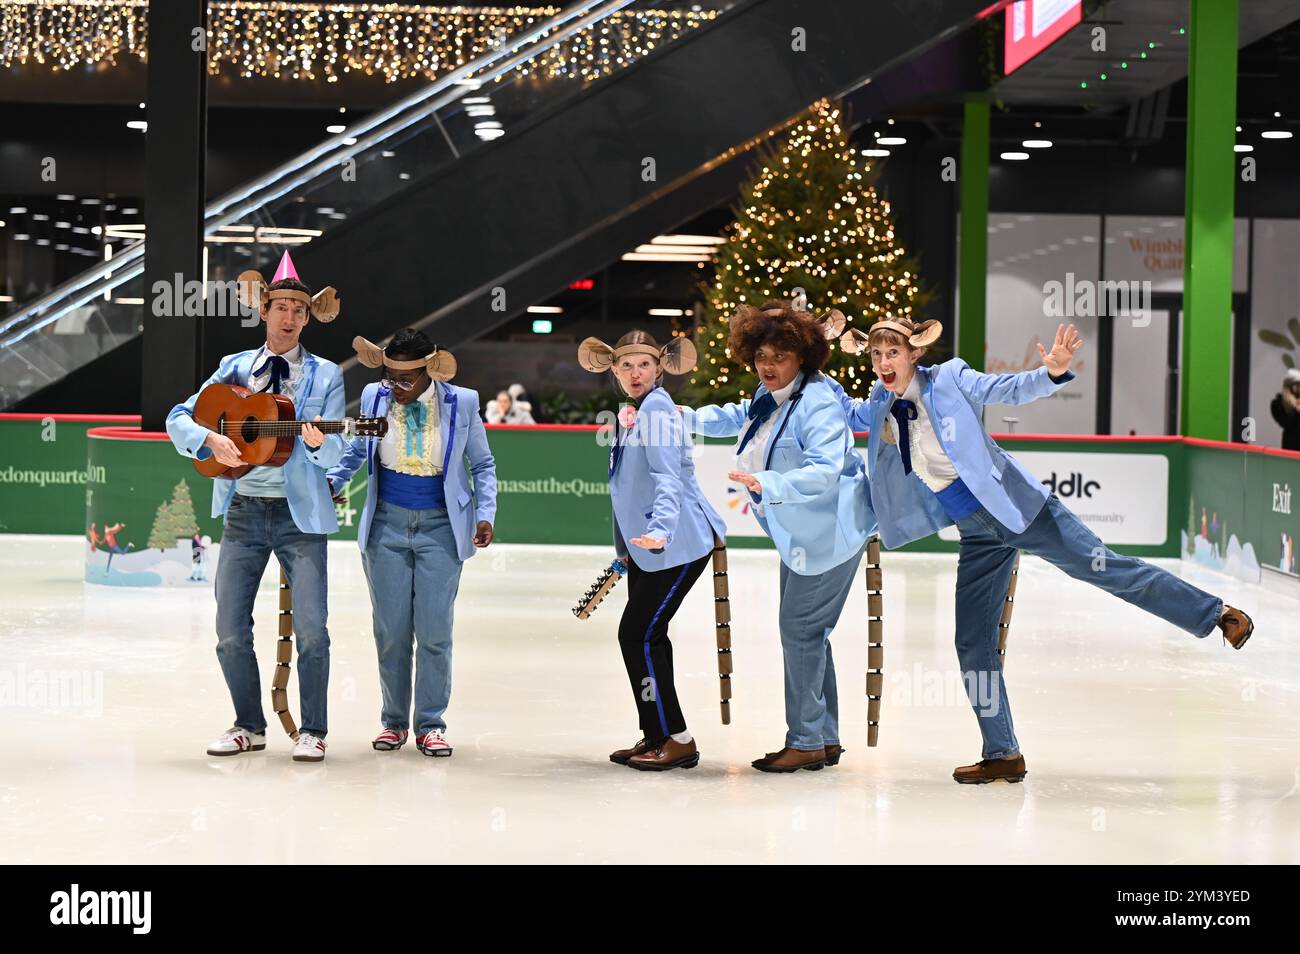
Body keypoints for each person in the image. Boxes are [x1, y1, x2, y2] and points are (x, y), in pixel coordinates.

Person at [830, 316, 1256, 784]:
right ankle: (1002, 753)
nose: (884, 362)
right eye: (875, 355)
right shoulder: (880, 402)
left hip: (1021, 510)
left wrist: (1050, 372)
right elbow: (847, 414)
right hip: (977, 532)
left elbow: (1006, 388)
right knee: (972, 641)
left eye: (893, 352)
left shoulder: (949, 377)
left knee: (1108, 570)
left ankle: (1216, 614)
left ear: (914, 353)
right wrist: (812, 368)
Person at [680, 301, 876, 772]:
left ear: (802, 357)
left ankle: (807, 739)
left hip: (831, 531)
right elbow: (737, 417)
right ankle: (822, 737)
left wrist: (766, 484)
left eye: (779, 356)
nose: (767, 365)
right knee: (810, 633)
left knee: (801, 630)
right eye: (761, 356)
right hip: (804, 533)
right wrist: (680, 417)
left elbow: (825, 470)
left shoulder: (818, 402)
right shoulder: (775, 392)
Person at [166, 250, 345, 763]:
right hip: (244, 510)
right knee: (228, 630)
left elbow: (335, 451)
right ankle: (249, 724)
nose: (290, 319)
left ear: (308, 318)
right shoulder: (235, 367)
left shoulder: (325, 375)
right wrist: (207, 440)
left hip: (299, 516)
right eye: (281, 308)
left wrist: (314, 442)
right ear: (264, 311)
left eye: (299, 311)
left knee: (312, 630)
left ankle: (313, 730)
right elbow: (179, 414)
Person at [327, 329, 497, 757]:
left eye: (407, 379)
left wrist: (484, 513)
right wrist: (334, 481)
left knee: (435, 632)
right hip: (385, 524)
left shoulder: (464, 402)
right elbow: (356, 451)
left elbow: (483, 463)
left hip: (441, 526)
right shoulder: (374, 395)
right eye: (391, 376)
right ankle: (394, 722)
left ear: (428, 371)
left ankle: (431, 724)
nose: (397, 387)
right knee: (390, 632)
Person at [577, 330, 726, 771]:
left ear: (659, 369)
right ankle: (658, 733)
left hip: (675, 544)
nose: (635, 372)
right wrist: (624, 548)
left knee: (636, 634)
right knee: (648, 636)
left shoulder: (658, 409)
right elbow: (627, 488)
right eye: (626, 366)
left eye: (644, 364)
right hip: (648, 548)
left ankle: (675, 738)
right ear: (615, 372)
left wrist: (660, 529)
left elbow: (667, 478)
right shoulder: (637, 412)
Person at [1270, 368, 1300, 451]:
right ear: (1289, 386)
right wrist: (1297, 412)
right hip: (1291, 447)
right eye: (1297, 385)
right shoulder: (1278, 403)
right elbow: (1286, 423)